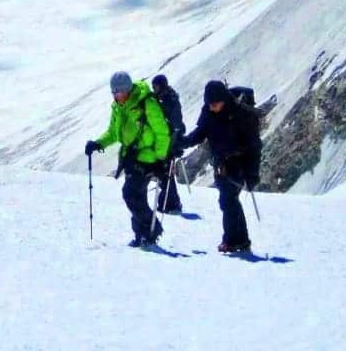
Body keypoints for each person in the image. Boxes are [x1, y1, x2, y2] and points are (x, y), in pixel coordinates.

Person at [85, 71, 172, 247]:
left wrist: (161, 158)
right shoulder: (118, 107)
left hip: (147, 158)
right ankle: (142, 235)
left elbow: (162, 131)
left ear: (129, 89)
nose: (117, 96)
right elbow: (114, 133)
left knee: (130, 193)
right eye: (114, 93)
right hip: (130, 158)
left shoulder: (146, 103)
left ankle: (151, 231)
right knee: (137, 196)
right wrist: (98, 143)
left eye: (120, 92)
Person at [182, 81, 261, 253]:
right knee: (229, 201)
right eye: (209, 104)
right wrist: (184, 142)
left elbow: (254, 146)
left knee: (228, 200)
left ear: (224, 100)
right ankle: (241, 240)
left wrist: (252, 173)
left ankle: (233, 241)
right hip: (221, 164)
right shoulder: (208, 112)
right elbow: (200, 133)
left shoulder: (241, 114)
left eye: (215, 104)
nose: (212, 107)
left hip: (238, 163)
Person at [151, 74, 185, 215]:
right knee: (165, 174)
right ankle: (171, 202)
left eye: (156, 86)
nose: (155, 89)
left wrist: (175, 142)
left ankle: (170, 204)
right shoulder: (165, 98)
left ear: (162, 85)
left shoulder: (170, 100)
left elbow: (175, 123)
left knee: (166, 174)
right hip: (166, 141)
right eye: (154, 87)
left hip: (170, 142)